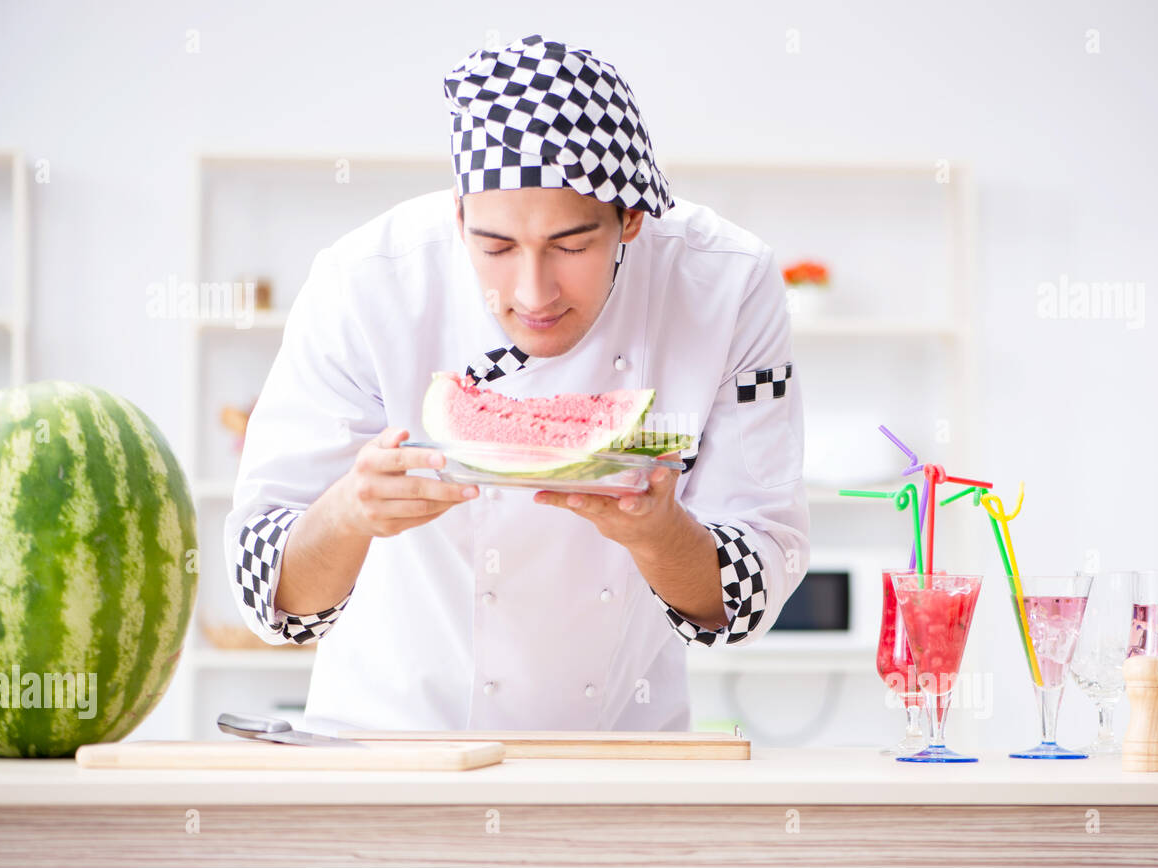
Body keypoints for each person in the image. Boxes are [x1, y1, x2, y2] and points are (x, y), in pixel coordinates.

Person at [222, 34, 808, 732]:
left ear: (630, 218)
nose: (532, 292)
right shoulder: (365, 282)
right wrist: (353, 512)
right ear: (460, 215)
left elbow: (747, 597)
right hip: (386, 751)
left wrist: (658, 533)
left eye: (571, 245)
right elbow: (269, 599)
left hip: (614, 760)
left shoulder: (726, 283)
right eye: (496, 247)